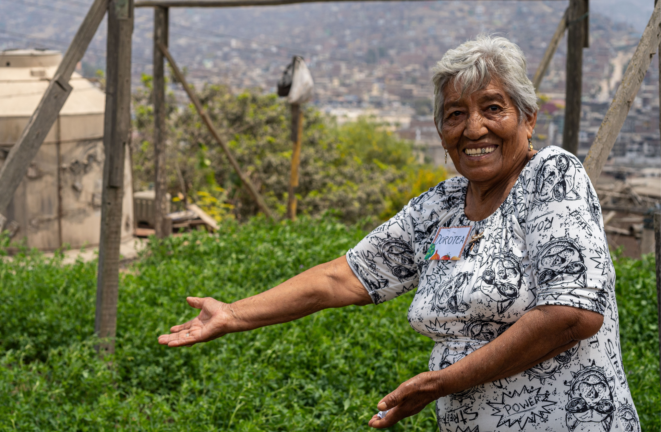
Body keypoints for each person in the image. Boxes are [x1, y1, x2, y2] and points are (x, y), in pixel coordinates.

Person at [158, 35, 640, 431]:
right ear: (441, 131)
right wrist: (233, 314)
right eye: (455, 114)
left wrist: (442, 382)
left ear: (528, 119)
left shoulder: (552, 176)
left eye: (493, 108)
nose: (474, 129)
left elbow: (572, 313)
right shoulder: (442, 206)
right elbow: (342, 277)